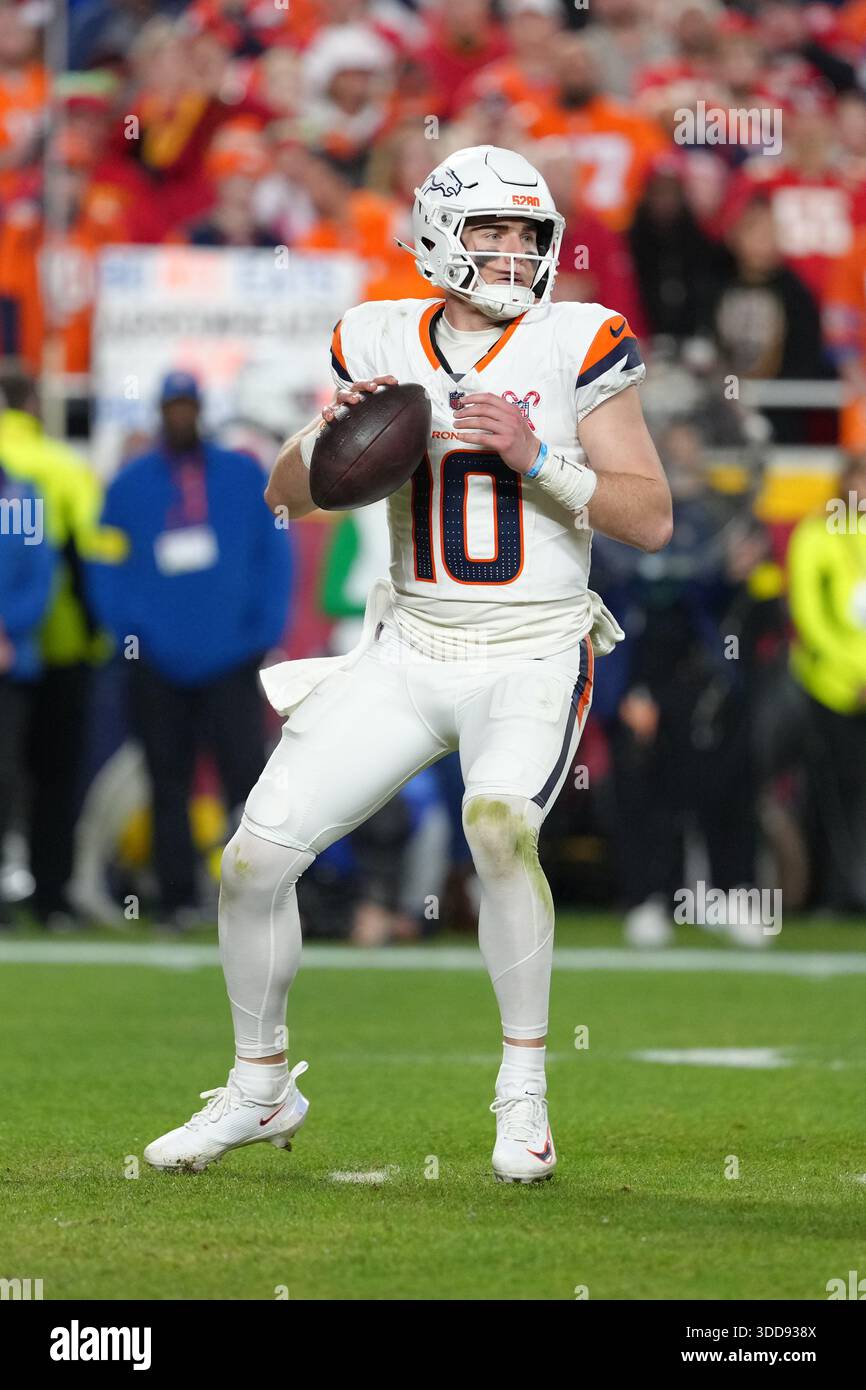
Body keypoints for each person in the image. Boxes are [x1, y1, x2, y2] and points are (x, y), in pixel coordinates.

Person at [143, 144, 672, 1182]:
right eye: (492, 230)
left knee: (498, 827)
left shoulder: (580, 338)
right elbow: (290, 494)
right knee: (251, 862)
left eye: (528, 232)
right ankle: (258, 1086)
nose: (515, 250)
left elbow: (647, 515)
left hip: (529, 649)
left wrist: (535, 459)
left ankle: (522, 1089)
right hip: (405, 647)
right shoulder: (374, 335)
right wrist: (323, 434)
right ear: (437, 233)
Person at [87, 370, 292, 929]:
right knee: (167, 779)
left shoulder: (239, 475)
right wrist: (128, 634)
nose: (181, 415)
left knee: (246, 781)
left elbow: (274, 553)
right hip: (156, 661)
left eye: (188, 405)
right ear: (160, 411)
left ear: (200, 410)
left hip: (231, 657)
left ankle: (254, 895)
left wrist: (262, 632)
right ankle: (177, 898)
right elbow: (103, 563)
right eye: (172, 406)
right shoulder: (129, 485)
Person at [0, 368, 104, 929]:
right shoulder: (59, 467)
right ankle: (50, 897)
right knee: (54, 778)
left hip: (19, 648)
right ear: (35, 402)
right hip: (55, 646)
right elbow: (90, 551)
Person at [0, 466, 55, 925]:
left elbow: (40, 576)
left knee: (7, 776)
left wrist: (6, 628)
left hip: (11, 661)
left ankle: (8, 885)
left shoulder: (24, 495)